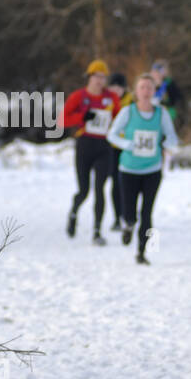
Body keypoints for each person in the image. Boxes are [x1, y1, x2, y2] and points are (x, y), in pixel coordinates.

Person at [107, 73, 179, 264]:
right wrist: (126, 144)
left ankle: (141, 251)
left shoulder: (161, 113)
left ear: (155, 91)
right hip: (128, 170)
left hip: (152, 170)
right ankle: (128, 225)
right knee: (129, 212)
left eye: (149, 87)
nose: (146, 91)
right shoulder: (128, 111)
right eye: (142, 87)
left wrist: (165, 144)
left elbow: (172, 137)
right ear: (136, 91)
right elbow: (112, 134)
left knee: (146, 212)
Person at [62, 59, 122, 244]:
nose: (99, 80)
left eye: (103, 77)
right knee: (84, 190)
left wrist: (117, 129)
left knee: (100, 188)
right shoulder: (78, 96)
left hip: (104, 146)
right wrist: (82, 117)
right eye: (96, 76)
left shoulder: (112, 98)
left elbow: (120, 119)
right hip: (85, 145)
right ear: (89, 77)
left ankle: (97, 231)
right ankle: (74, 212)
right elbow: (62, 120)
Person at [106, 72, 130, 232]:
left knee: (129, 183)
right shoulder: (106, 101)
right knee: (115, 183)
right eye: (113, 87)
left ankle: (128, 214)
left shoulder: (132, 102)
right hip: (112, 148)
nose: (116, 90)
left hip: (128, 147)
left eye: (119, 87)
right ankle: (117, 217)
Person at [150, 60, 184, 127]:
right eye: (154, 72)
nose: (155, 75)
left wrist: (160, 87)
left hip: (168, 115)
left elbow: (173, 100)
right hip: (153, 115)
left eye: (157, 73)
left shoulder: (169, 84)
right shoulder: (148, 83)